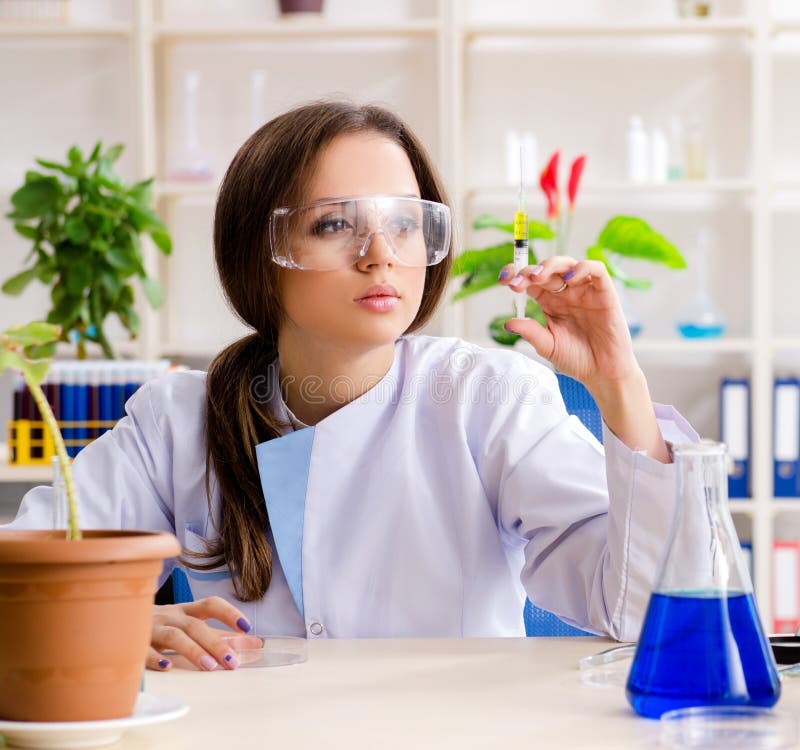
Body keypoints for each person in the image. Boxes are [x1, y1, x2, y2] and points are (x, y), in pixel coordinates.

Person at [4, 101, 697, 672]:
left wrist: (619, 386)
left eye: (403, 223)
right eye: (335, 224)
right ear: (260, 253)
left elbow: (640, 612)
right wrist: (126, 623)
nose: (380, 254)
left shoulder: (487, 396)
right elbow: (22, 575)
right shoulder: (177, 418)